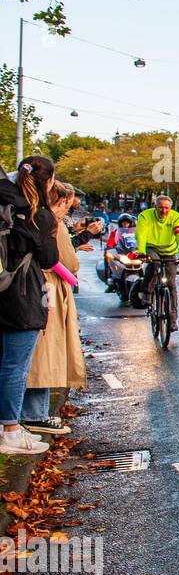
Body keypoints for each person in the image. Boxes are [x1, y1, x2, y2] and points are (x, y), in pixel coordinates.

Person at [0, 157, 61, 455]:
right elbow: (49, 259)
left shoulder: (3, 200)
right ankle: (10, 430)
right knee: (15, 367)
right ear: (47, 182)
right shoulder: (39, 215)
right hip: (22, 296)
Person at [23, 179, 85, 437]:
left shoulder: (31, 216)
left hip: (33, 288)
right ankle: (33, 414)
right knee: (44, 354)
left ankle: (30, 413)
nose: (68, 211)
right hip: (47, 290)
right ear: (60, 201)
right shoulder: (51, 223)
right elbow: (68, 262)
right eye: (68, 206)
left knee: (34, 354)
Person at [136, 194, 179, 332]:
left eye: (166, 208)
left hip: (169, 250)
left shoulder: (176, 217)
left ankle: (173, 320)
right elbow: (141, 234)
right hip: (151, 247)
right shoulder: (145, 216)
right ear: (155, 207)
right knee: (153, 264)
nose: (164, 211)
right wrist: (141, 252)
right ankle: (147, 292)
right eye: (160, 207)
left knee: (171, 284)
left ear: (170, 209)